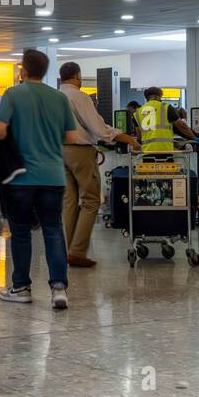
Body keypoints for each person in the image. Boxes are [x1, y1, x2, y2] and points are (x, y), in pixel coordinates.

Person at [0, 49, 78, 309]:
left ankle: (21, 287)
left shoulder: (13, 94)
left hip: (21, 177)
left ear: (24, 69)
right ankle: (59, 288)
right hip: (53, 175)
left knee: (20, 231)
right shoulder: (59, 97)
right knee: (53, 229)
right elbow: (72, 137)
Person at [58, 61, 139, 268]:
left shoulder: (55, 97)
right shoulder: (80, 96)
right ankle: (77, 251)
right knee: (91, 200)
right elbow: (99, 128)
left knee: (69, 202)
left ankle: (66, 250)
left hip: (59, 152)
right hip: (81, 152)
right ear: (77, 76)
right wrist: (126, 138)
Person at [136, 87, 196, 152]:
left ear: (147, 97)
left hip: (147, 151)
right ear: (159, 96)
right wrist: (194, 137)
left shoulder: (138, 112)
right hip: (165, 149)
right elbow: (182, 126)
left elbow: (139, 137)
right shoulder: (166, 107)